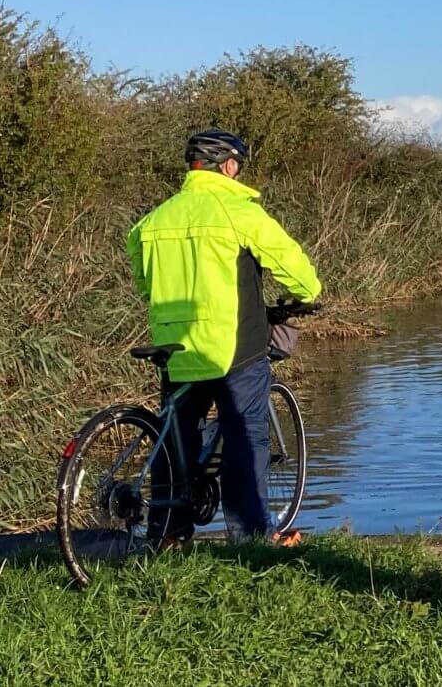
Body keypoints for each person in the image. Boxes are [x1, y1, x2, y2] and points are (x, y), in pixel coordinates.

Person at [127, 129, 323, 547]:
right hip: (232, 346)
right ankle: (251, 535)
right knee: (246, 433)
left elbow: (143, 278)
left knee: (175, 437)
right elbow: (292, 263)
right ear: (229, 166)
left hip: (175, 345)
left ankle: (168, 533)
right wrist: (306, 294)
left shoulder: (155, 219)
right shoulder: (238, 211)